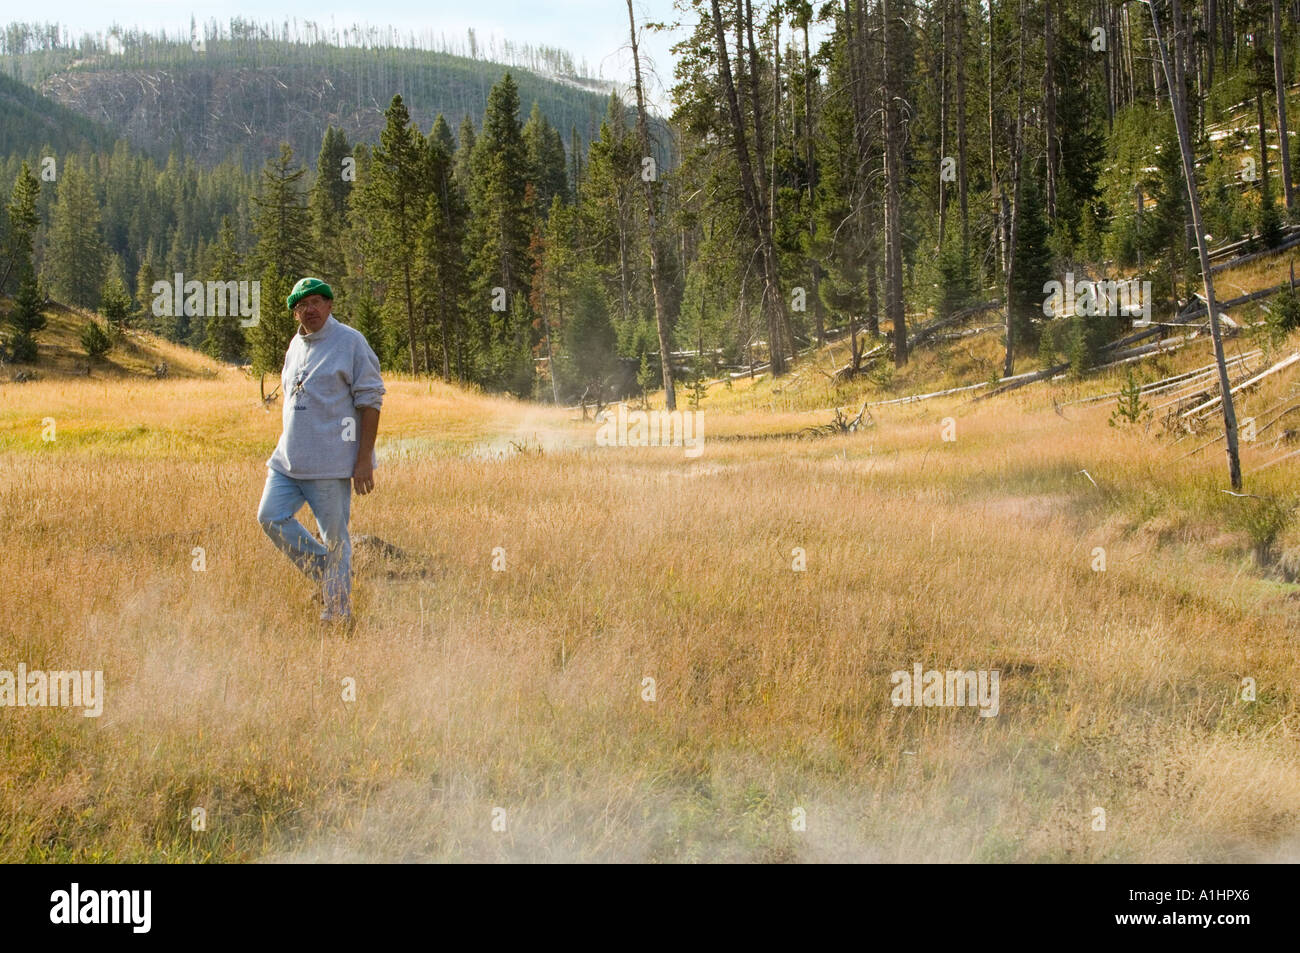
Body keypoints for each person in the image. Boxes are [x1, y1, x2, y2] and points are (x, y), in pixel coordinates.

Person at [256, 277, 385, 625]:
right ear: (294, 312)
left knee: (336, 540)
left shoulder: (351, 342)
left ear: (329, 305)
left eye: (316, 301)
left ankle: (338, 615)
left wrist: (363, 460)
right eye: (301, 305)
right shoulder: (295, 345)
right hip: (288, 460)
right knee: (269, 516)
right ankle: (327, 573)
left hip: (331, 463)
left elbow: (371, 400)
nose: (309, 309)